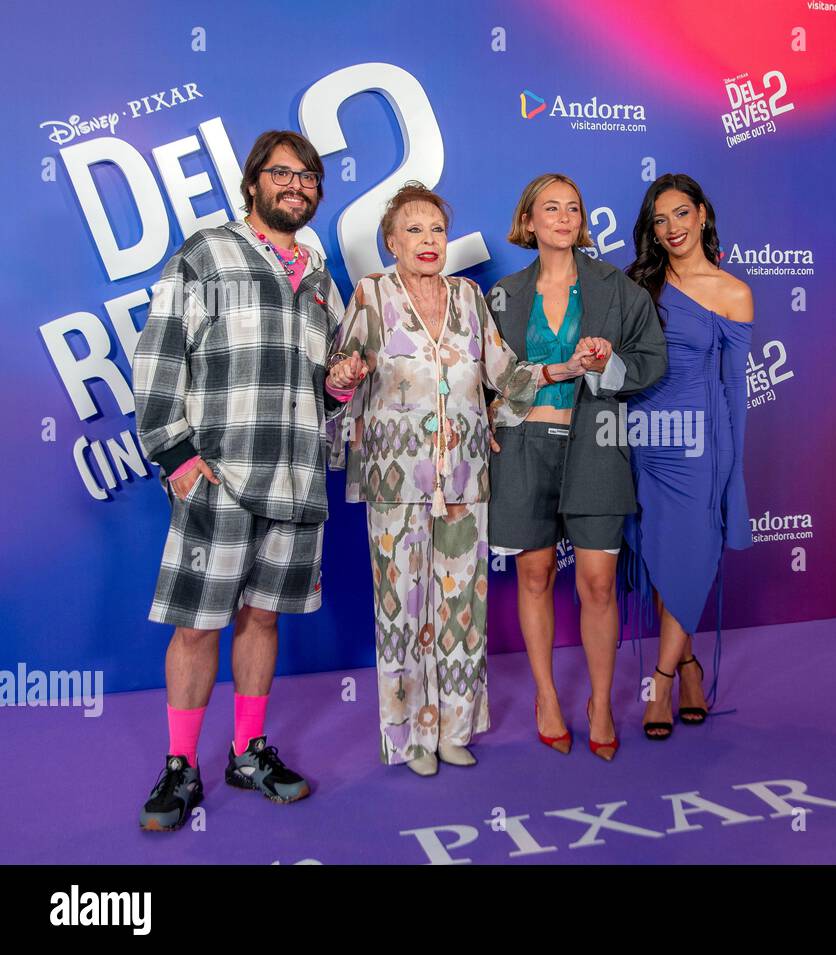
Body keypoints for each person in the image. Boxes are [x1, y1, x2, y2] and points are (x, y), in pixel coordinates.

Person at [328, 183, 595, 775]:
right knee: (402, 609)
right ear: (390, 242)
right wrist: (344, 375)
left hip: (467, 475)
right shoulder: (371, 296)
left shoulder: (471, 298)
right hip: (396, 479)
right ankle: (411, 738)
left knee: (460, 607)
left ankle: (453, 728)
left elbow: (505, 374)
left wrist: (566, 367)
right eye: (414, 231)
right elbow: (336, 380)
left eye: (437, 231)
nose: (428, 242)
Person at [133, 130, 346, 830]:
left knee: (262, 617)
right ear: (252, 182)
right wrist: (178, 458)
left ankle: (248, 750)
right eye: (281, 173)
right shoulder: (206, 253)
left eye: (308, 175)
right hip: (219, 476)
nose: (297, 184)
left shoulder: (317, 273)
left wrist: (342, 384)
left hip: (294, 478)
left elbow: (324, 378)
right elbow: (160, 355)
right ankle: (180, 765)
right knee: (198, 626)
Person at [486, 173, 667, 760]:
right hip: (522, 449)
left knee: (596, 583)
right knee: (535, 576)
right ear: (529, 220)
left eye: (573, 208)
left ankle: (601, 702)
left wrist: (610, 362)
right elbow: (485, 378)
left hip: (597, 443)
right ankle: (545, 696)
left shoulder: (616, 289)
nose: (563, 217)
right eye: (550, 208)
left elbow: (652, 359)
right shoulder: (504, 295)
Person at [622, 173, 753, 740]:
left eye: (680, 214)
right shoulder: (639, 284)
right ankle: (691, 666)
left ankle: (662, 679)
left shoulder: (733, 292)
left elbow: (735, 393)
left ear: (702, 214)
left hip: (700, 447)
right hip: (643, 437)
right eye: (659, 219)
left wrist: (733, 473)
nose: (671, 228)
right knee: (662, 553)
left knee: (692, 553)